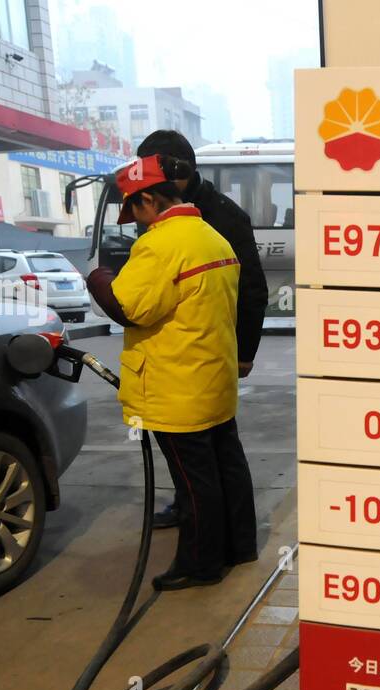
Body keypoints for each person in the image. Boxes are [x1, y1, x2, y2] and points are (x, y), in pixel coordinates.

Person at [86, 154, 247, 590]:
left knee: (193, 483)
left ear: (149, 201)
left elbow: (131, 309)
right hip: (213, 379)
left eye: (135, 211)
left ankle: (199, 565)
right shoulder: (211, 236)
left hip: (177, 387)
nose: (137, 223)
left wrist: (99, 278)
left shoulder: (159, 244)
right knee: (222, 468)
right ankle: (238, 547)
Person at [135, 131, 266, 557]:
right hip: (195, 354)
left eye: (151, 175)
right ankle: (219, 532)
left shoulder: (220, 217)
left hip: (203, 356)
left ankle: (220, 544)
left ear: (176, 171)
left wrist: (245, 353)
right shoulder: (178, 216)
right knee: (209, 454)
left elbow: (252, 290)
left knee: (212, 454)